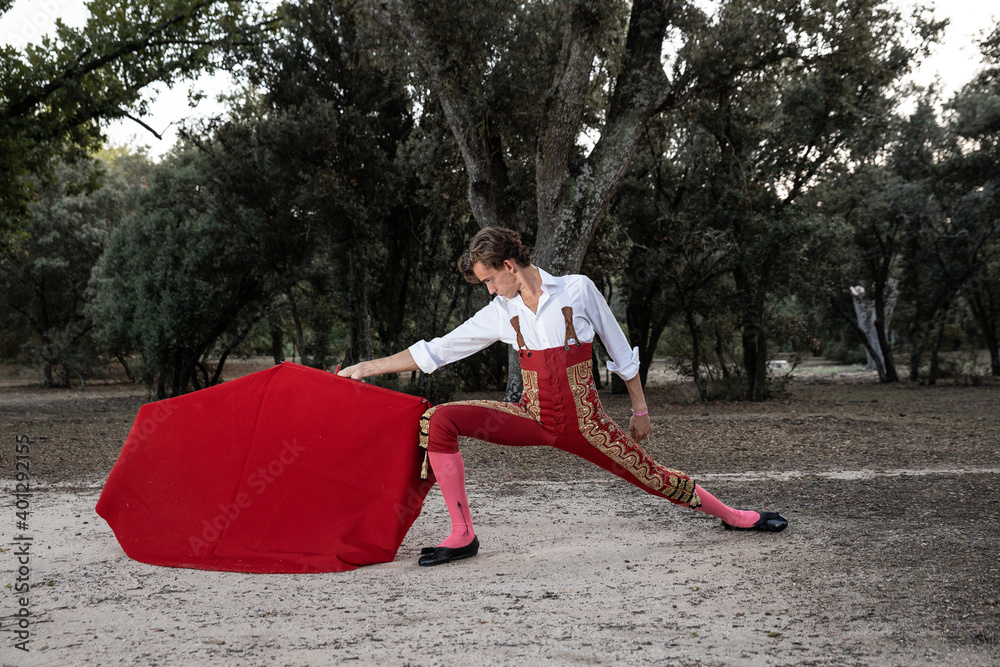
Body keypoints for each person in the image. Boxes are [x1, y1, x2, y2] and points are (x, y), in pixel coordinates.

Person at [338, 227, 787, 566]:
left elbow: (616, 345)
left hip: (585, 427)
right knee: (440, 419)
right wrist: (366, 368)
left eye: (491, 280)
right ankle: (462, 535)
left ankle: (734, 515)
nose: (490, 290)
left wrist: (640, 407)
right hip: (530, 416)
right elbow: (437, 350)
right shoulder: (501, 313)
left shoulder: (578, 288)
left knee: (652, 475)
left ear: (510, 265)